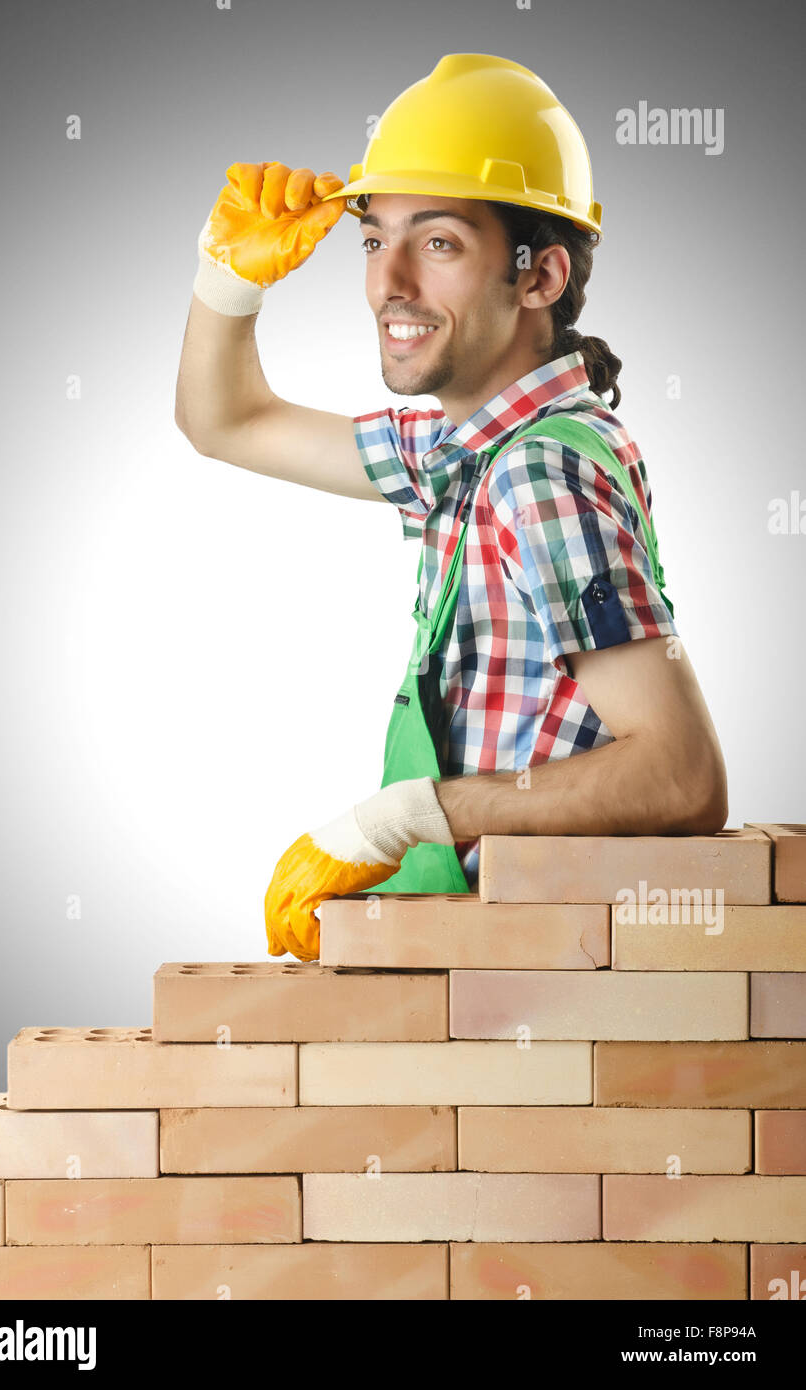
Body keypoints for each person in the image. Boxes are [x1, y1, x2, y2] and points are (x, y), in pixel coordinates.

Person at [174, 53, 728, 963]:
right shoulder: (462, 453)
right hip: (487, 958)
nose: (388, 283)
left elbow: (679, 776)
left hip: (532, 974)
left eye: (436, 243)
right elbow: (223, 421)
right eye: (371, 239)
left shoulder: (536, 470)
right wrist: (226, 279)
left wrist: (393, 823)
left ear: (539, 277)